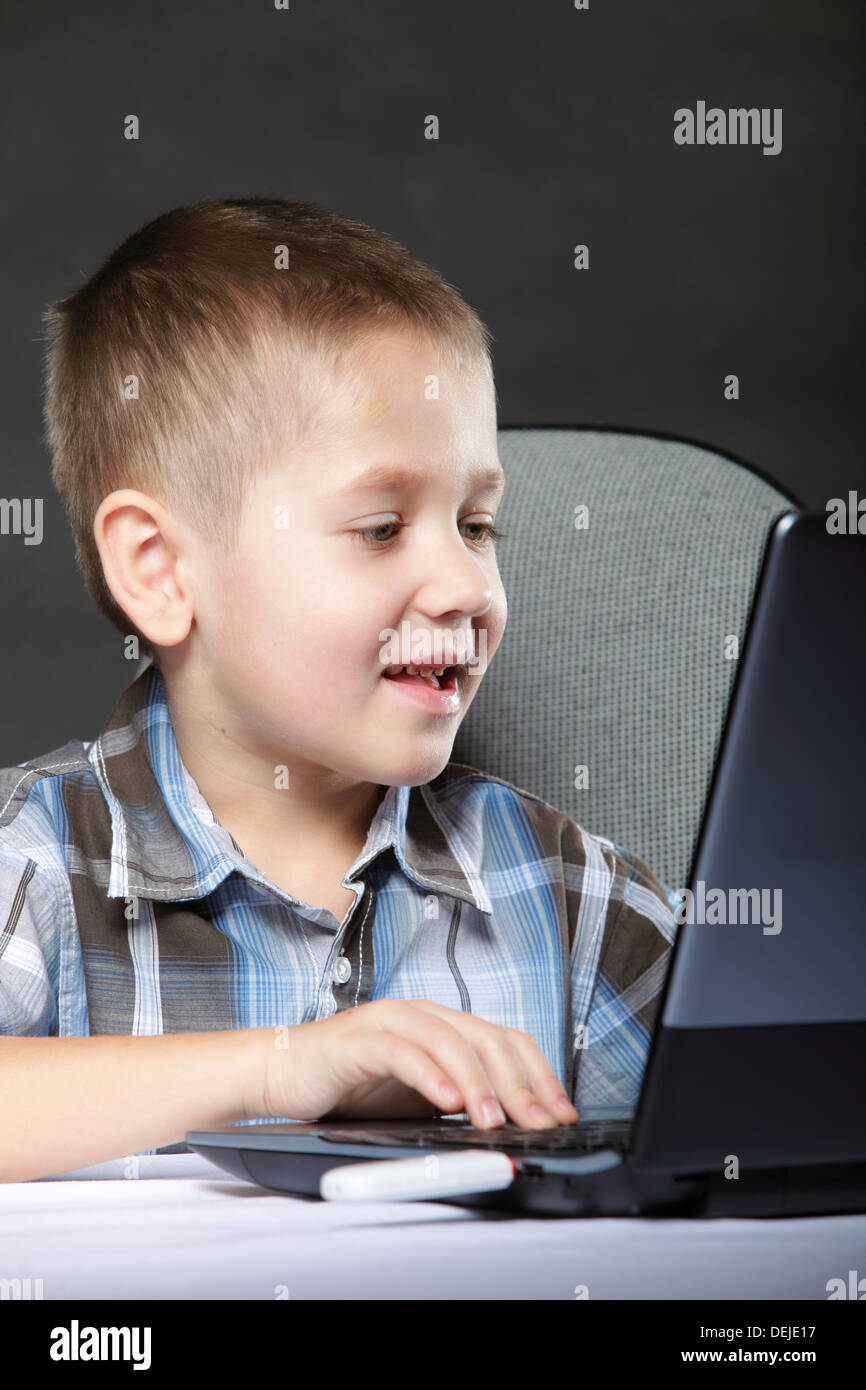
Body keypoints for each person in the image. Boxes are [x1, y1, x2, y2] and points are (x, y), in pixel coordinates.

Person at [0, 198, 674, 1183]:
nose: (463, 585)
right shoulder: (33, 868)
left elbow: (738, 1170)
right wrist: (280, 1066)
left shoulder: (578, 900)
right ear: (159, 570)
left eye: (477, 524)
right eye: (380, 526)